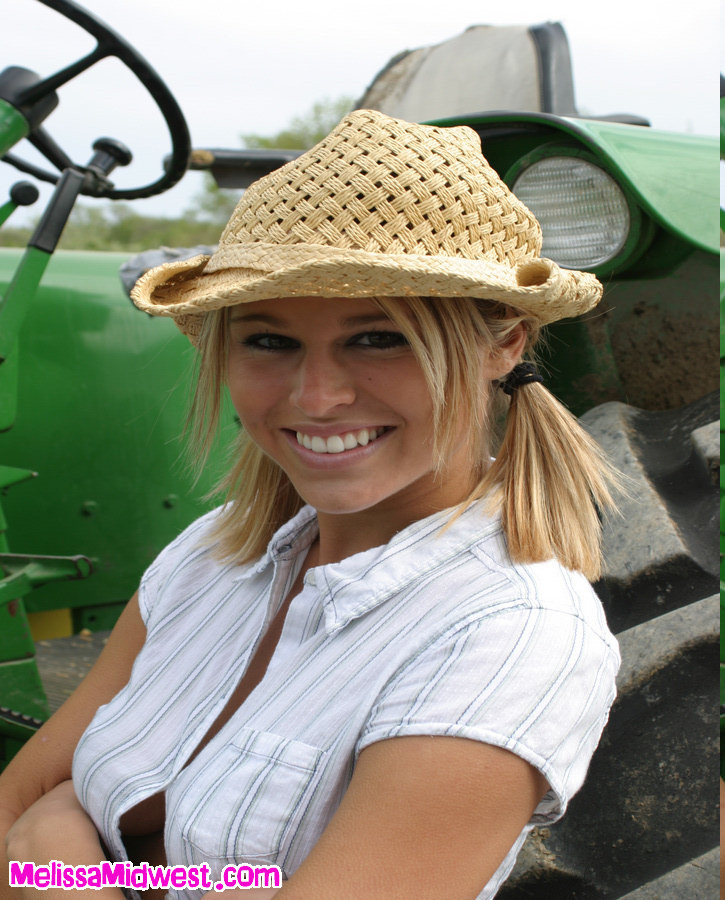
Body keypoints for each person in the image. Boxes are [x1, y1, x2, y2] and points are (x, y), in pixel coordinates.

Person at [2, 109, 620, 900]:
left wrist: (55, 861)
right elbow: (15, 801)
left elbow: (32, 826)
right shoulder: (209, 557)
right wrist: (41, 834)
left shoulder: (509, 637)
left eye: (379, 338)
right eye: (268, 340)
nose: (317, 396)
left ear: (503, 343)